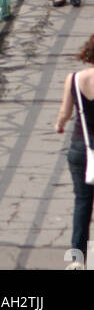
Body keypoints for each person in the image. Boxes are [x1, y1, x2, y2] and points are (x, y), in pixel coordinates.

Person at [55, 32, 94, 265]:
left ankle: (78, 259)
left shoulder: (74, 78)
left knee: (82, 201)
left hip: (81, 147)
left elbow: (65, 113)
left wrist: (59, 125)